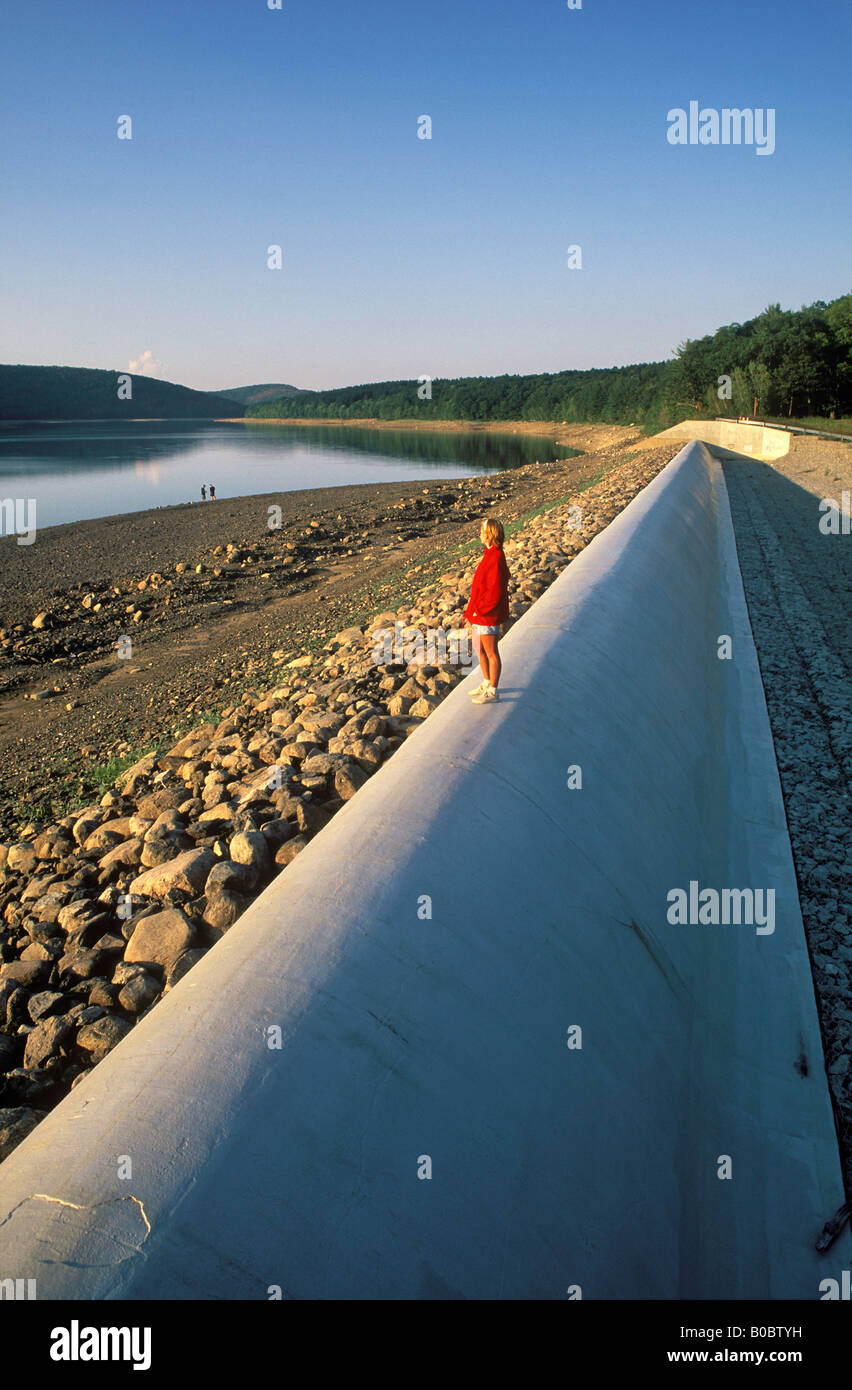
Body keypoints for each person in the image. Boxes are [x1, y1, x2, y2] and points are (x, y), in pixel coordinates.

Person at [463, 517, 510, 703]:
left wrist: (481, 610)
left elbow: (495, 589)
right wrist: (470, 612)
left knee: (491, 652)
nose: (480, 534)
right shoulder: (489, 553)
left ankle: (493, 691)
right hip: (478, 613)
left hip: (486, 614)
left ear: (491, 534)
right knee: (479, 649)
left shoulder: (497, 557)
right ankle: (486, 680)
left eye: (483, 531)